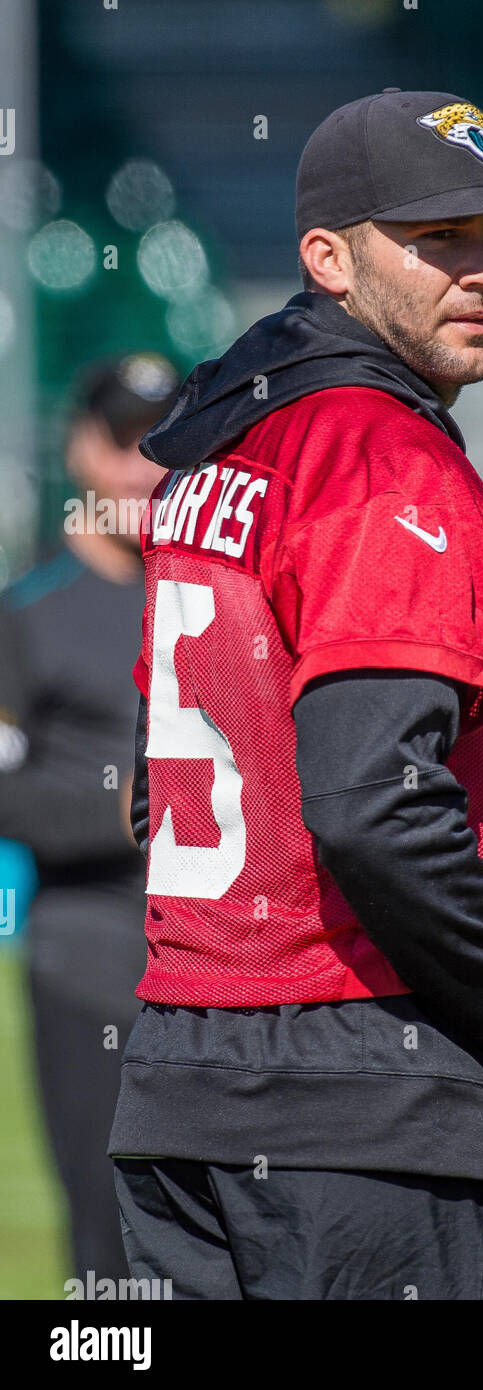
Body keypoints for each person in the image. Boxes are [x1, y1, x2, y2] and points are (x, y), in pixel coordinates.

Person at [108, 89, 483, 1301]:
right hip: (362, 1073)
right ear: (326, 257)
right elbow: (373, 800)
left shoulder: (216, 441)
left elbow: (146, 792)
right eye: (438, 239)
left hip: (181, 1079)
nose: (481, 272)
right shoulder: (382, 454)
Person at [0, 352, 180, 1284]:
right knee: (106, 1256)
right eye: (120, 443)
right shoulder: (26, 614)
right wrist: (119, 808)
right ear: (79, 448)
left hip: (219, 978)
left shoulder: (216, 598)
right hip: (88, 967)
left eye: (161, 445)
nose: (140, 469)